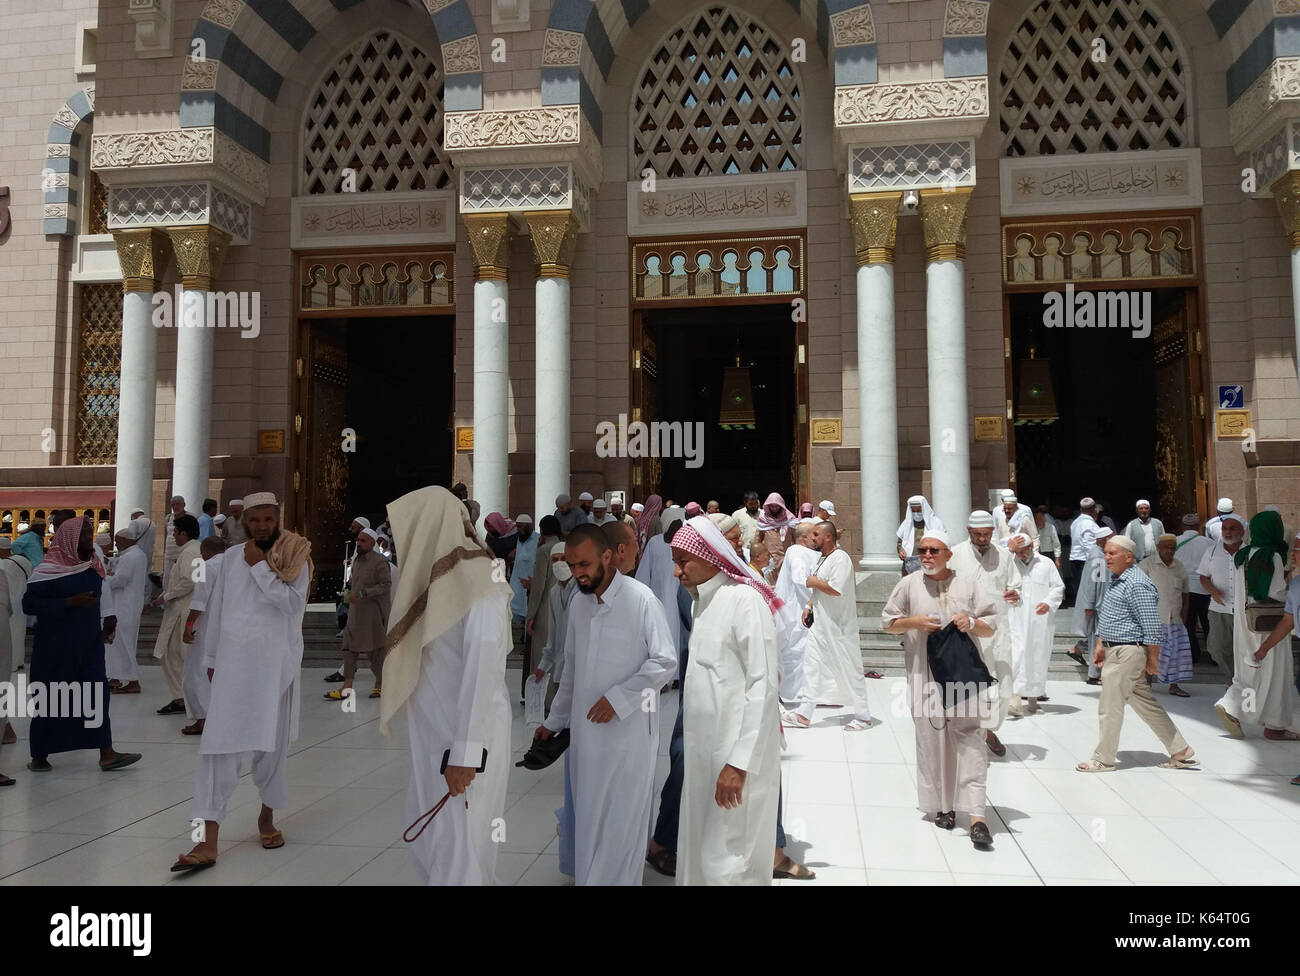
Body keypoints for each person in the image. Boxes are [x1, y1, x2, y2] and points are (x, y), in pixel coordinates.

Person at [374, 486, 512, 885]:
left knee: (461, 848)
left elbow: (483, 670)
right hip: (435, 736)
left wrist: (466, 754)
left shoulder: (478, 579)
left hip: (464, 741)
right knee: (437, 841)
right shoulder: (433, 583)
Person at [172, 492, 311, 873]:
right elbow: (217, 611)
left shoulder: (295, 556)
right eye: (256, 520)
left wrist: (262, 568)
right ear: (245, 522)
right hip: (235, 668)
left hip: (276, 669)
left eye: (269, 519)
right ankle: (206, 843)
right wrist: (213, 658)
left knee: (271, 751)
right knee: (218, 751)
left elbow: (291, 606)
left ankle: (267, 818)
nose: (263, 526)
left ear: (277, 518)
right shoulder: (229, 559)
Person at [534, 524, 676, 885]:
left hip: (629, 739)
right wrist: (553, 721)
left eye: (584, 564)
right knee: (588, 819)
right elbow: (571, 671)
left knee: (621, 823)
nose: (577, 573)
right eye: (571, 565)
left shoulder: (641, 599)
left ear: (608, 557)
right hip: (586, 738)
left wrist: (618, 698)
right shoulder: (578, 604)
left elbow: (665, 662)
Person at [670, 515, 782, 884]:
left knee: (731, 861)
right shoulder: (699, 604)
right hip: (705, 758)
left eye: (683, 560)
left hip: (735, 761)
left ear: (709, 555)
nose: (676, 571)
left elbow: (763, 686)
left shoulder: (745, 600)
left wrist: (738, 763)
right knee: (702, 852)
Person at [882, 529, 997, 848]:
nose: (927, 556)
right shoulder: (908, 584)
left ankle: (976, 816)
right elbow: (888, 622)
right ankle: (942, 807)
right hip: (925, 678)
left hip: (961, 677)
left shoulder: (968, 584)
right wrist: (914, 622)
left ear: (948, 554)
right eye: (923, 550)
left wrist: (971, 623)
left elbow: (991, 625)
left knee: (970, 742)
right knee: (931, 744)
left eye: (934, 550)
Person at [23, 517, 141, 773]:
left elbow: (103, 594)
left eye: (90, 535)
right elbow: (29, 605)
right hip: (55, 648)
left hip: (88, 644)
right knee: (52, 697)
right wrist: (69, 602)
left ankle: (106, 752)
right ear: (70, 539)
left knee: (97, 695)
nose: (91, 540)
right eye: (85, 536)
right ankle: (40, 754)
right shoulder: (47, 570)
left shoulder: (91, 567)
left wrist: (108, 618)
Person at [1076, 536, 1197, 772]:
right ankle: (1180, 749)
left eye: (1112, 553)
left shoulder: (1137, 583)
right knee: (1145, 704)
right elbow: (1111, 614)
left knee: (1110, 706)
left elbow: (1152, 625)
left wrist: (1153, 660)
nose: (1107, 557)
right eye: (1106, 553)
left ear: (1129, 557)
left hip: (1127, 652)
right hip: (1116, 648)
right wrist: (1101, 642)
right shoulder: (1117, 579)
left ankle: (1104, 758)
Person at [1214, 510, 1298, 739]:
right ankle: (1241, 710)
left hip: (1246, 622)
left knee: (1251, 671)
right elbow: (1274, 592)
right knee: (1275, 673)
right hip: (1269, 625)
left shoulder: (1242, 554)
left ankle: (1265, 720)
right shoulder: (1272, 555)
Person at [783, 521, 873, 731]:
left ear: (828, 537)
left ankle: (863, 716)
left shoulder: (840, 558)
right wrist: (809, 605)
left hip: (839, 627)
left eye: (816, 534)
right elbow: (821, 588)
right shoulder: (824, 559)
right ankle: (804, 714)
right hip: (821, 626)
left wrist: (812, 582)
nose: (811, 538)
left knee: (849, 668)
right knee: (812, 666)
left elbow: (835, 588)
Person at [948, 511, 1022, 753]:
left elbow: (1016, 585)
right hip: (966, 631)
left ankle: (989, 728)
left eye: (987, 534)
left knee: (1004, 687)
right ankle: (975, 735)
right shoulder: (955, 555)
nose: (982, 538)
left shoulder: (1004, 555)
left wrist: (1015, 594)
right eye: (978, 534)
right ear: (969, 531)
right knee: (970, 689)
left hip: (997, 629)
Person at [325, 527, 392, 702]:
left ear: (372, 543)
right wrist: (350, 586)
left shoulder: (379, 562)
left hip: (373, 614)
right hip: (355, 614)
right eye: (358, 540)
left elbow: (385, 585)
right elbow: (356, 581)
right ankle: (347, 687)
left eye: (363, 541)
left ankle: (381, 684)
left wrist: (363, 593)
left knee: (375, 652)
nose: (359, 543)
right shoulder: (356, 561)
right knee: (348, 649)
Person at [1007, 533, 1064, 712]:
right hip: (1015, 617)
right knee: (1016, 654)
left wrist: (1048, 603)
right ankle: (1014, 698)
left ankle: (1033, 699)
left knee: (1037, 656)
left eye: (1024, 551)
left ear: (1031, 547)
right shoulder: (1010, 563)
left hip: (1040, 620)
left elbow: (1058, 587)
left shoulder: (1045, 563)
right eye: (1018, 552)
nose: (1021, 555)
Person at [153, 514, 201, 716]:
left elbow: (191, 581)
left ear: (184, 532)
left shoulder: (191, 553)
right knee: (173, 657)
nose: (173, 535)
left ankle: (185, 699)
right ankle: (182, 697)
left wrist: (167, 596)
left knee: (177, 656)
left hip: (184, 611)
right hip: (185, 609)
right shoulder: (193, 550)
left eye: (175, 531)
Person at [180, 535, 227, 735]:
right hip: (230, 626)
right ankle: (221, 716)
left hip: (208, 627)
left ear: (206, 551)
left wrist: (189, 624)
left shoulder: (205, 566)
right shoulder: (235, 565)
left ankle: (203, 718)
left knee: (195, 672)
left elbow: (199, 601)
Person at [105, 517, 155, 695]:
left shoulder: (131, 556)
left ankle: (133, 681)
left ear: (127, 540)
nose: (117, 545)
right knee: (119, 643)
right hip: (129, 605)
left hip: (124, 606)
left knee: (123, 643)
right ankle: (117, 677)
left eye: (118, 542)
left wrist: (103, 580)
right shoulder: (137, 554)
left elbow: (120, 580)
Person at [773, 520, 819, 705]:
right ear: (805, 536)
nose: (816, 539)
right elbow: (800, 579)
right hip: (797, 610)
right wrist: (816, 599)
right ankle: (790, 693)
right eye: (814, 535)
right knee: (795, 652)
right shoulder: (799, 552)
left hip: (798, 608)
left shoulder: (800, 552)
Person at [1141, 534, 1192, 697]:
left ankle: (1174, 686)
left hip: (1175, 618)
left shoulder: (1179, 566)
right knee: (1150, 652)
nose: (1170, 551)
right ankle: (1146, 684)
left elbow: (1185, 592)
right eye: (1167, 547)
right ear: (1158, 547)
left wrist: (1185, 611)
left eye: (1173, 548)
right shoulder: (1147, 565)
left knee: (1177, 653)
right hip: (1153, 618)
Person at [1198, 513, 1245, 683]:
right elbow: (1203, 577)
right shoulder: (1211, 552)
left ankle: (1240, 685)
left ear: (1242, 531)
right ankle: (1232, 681)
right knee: (1216, 649)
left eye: (1232, 528)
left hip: (1244, 611)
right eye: (1224, 528)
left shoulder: (1250, 552)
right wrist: (1213, 591)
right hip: (1219, 610)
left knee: (1244, 651)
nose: (1227, 532)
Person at [636, 505, 687, 658]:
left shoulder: (685, 544)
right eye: (673, 525)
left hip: (680, 603)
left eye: (679, 526)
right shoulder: (655, 542)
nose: (676, 529)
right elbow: (643, 576)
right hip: (658, 600)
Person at [1071, 526, 1114, 684]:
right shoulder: (1097, 556)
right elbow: (1094, 583)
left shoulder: (1101, 554)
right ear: (1103, 540)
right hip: (1096, 605)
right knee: (1095, 639)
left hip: (1099, 603)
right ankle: (1093, 675)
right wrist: (1090, 605)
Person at [1173, 514, 1212, 663]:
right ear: (1198, 527)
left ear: (1183, 527)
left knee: (1188, 623)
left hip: (1184, 589)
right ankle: (1214, 655)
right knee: (1208, 623)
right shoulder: (1209, 543)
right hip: (1205, 588)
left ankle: (1192, 655)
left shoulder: (1175, 542)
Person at [896, 494, 944, 575]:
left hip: (930, 562)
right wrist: (901, 551)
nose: (916, 513)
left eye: (918, 510)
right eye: (913, 511)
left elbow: (943, 543)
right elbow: (900, 542)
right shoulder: (906, 524)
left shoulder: (936, 524)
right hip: (909, 563)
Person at [755, 492, 798, 577]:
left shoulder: (789, 519)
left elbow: (796, 540)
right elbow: (757, 541)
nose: (774, 508)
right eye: (772, 506)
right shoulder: (763, 520)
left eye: (777, 506)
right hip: (769, 559)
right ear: (768, 506)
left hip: (785, 558)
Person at [163, 495, 186, 583]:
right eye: (173, 505)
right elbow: (167, 535)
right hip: (169, 555)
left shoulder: (190, 517)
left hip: (182, 554)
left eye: (178, 504)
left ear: (184, 504)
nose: (175, 507)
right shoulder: (168, 518)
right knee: (167, 580)